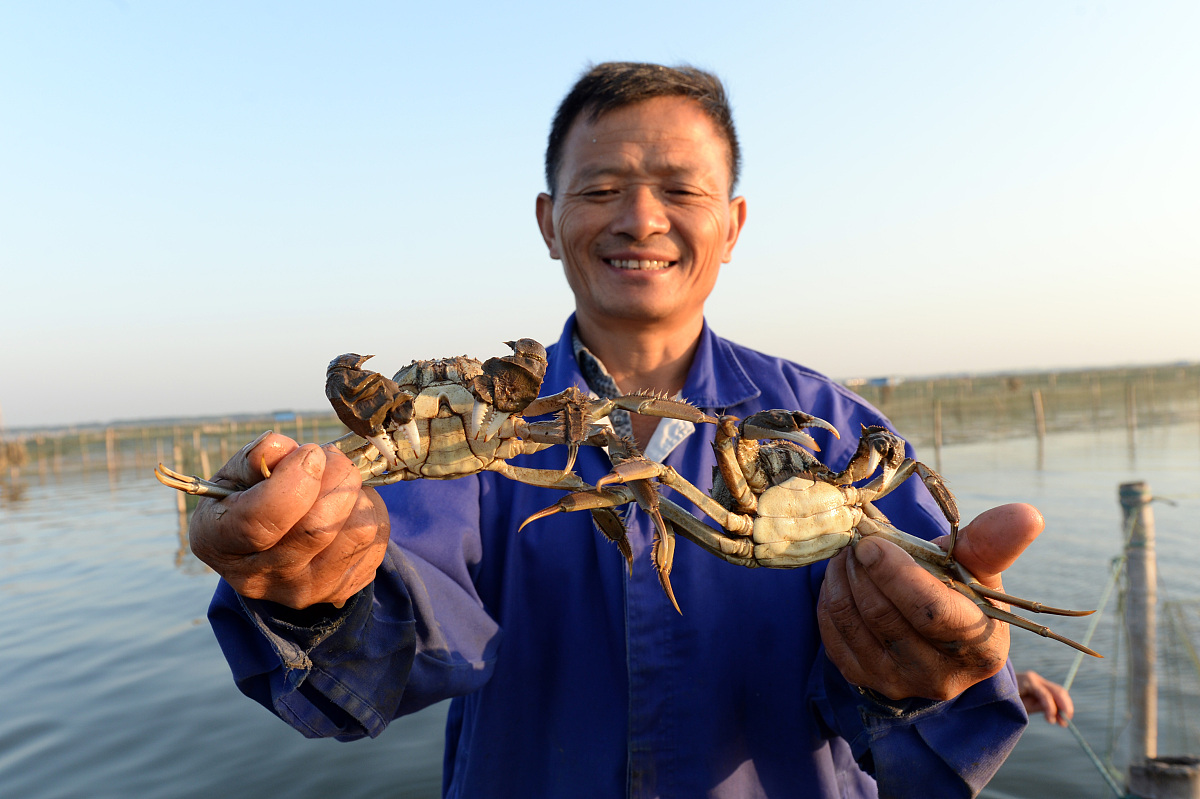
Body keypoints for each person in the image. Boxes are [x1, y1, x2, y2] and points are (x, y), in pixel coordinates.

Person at [191, 62, 1042, 798]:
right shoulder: (480, 435)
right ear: (547, 220)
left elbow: (942, 716)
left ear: (733, 224)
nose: (640, 218)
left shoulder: (834, 428)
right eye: (600, 189)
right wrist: (309, 590)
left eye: (681, 189)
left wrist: (934, 675)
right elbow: (382, 638)